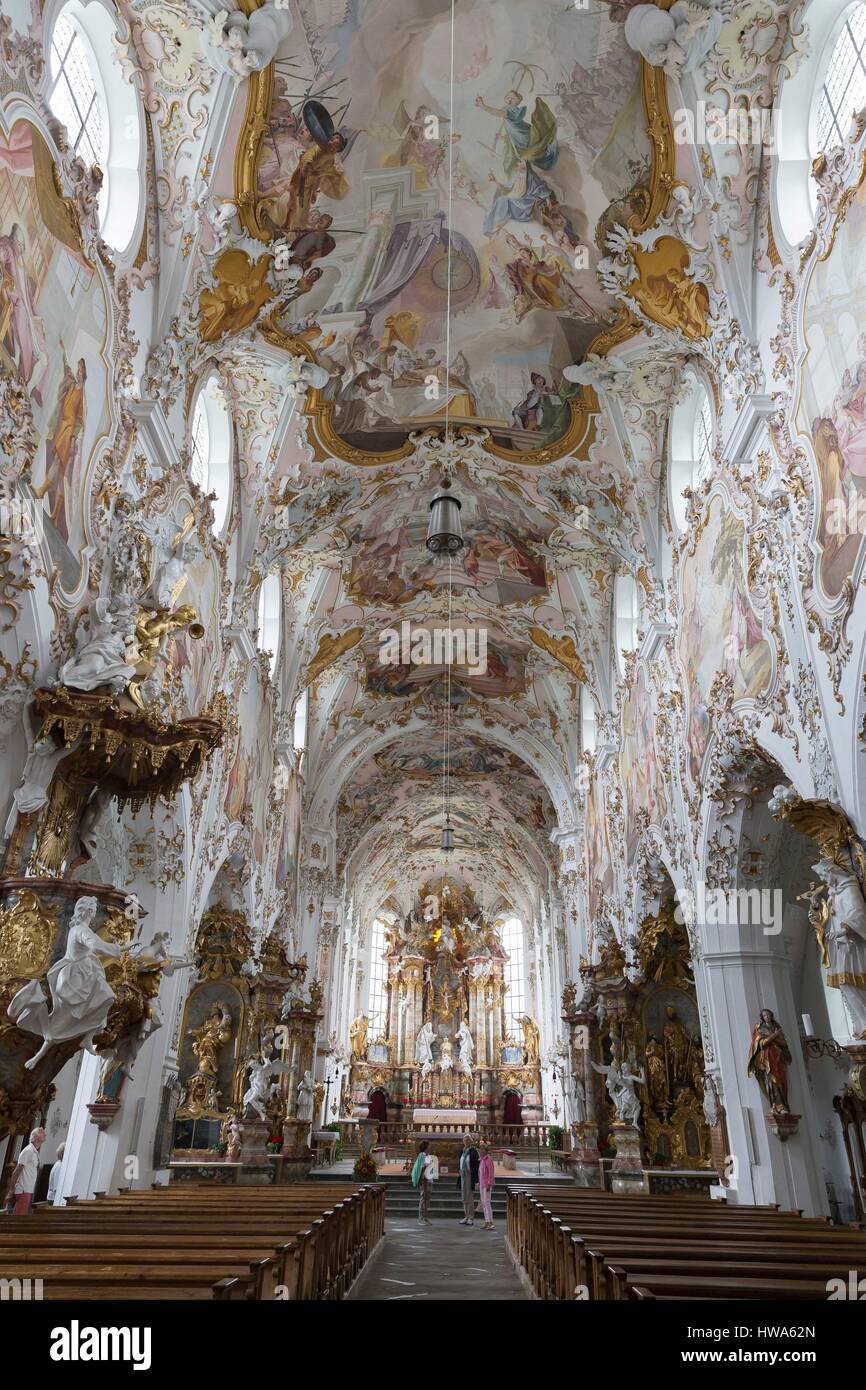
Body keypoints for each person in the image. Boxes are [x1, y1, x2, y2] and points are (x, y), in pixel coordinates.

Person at [7, 1127, 45, 1214]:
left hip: (28, 1189)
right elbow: (17, 1171)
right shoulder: (29, 1151)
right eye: (42, 1132)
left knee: (22, 1216)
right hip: (23, 1189)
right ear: (36, 1137)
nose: (45, 1134)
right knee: (19, 1217)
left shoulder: (34, 1151)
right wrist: (12, 1189)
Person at [456, 1132, 479, 1226]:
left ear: (471, 1141)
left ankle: (471, 1217)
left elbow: (476, 1165)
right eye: (465, 1140)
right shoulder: (462, 1150)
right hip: (462, 1175)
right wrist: (460, 1170)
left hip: (470, 1175)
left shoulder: (473, 1151)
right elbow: (460, 1162)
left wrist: (471, 1172)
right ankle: (466, 1216)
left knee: (469, 1197)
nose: (466, 1141)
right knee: (464, 1197)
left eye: (468, 1140)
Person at [478, 1139, 495, 1230]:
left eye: (482, 1150)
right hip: (482, 1184)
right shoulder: (481, 1160)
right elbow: (480, 1172)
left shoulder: (488, 1159)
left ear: (486, 1151)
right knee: (483, 1203)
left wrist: (489, 1184)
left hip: (487, 1184)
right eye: (480, 1150)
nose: (480, 1151)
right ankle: (486, 1221)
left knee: (487, 1203)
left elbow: (491, 1173)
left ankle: (491, 1222)